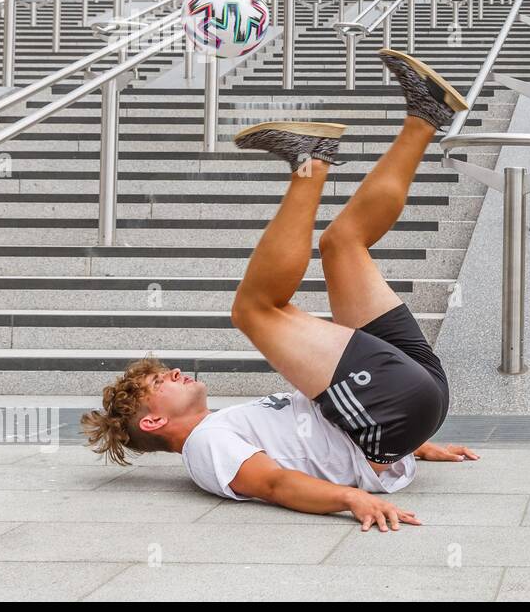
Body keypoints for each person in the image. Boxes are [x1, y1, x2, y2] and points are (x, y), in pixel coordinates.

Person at [82, 49, 478, 532]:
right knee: (254, 311)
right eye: (160, 382)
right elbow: (273, 484)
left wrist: (415, 441)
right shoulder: (207, 449)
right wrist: (352, 498)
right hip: (392, 413)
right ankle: (309, 160)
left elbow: (317, 435)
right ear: (152, 422)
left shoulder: (232, 422)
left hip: (408, 403)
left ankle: (426, 115)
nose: (176, 371)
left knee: (343, 244)